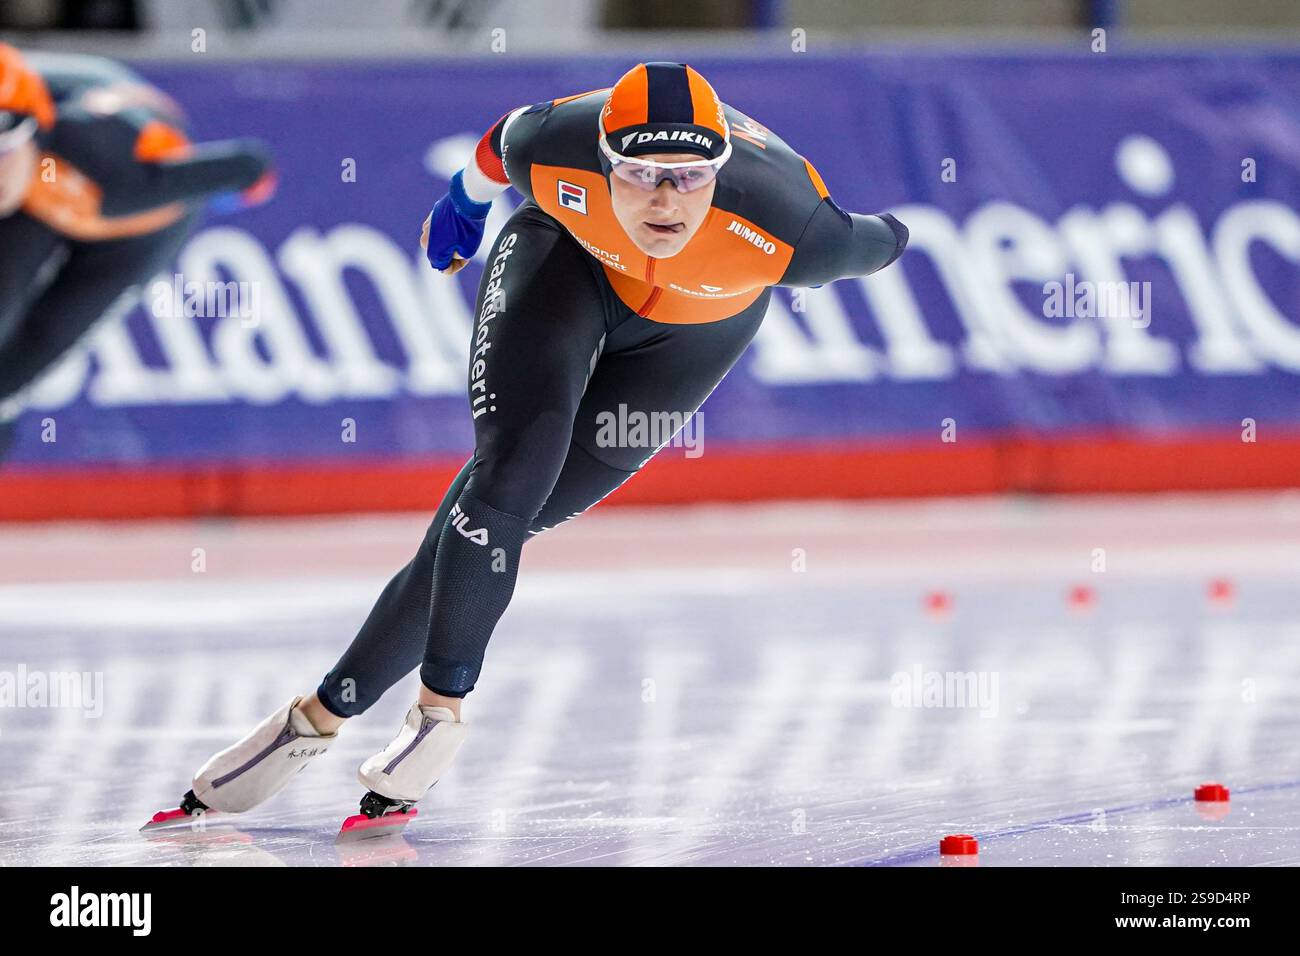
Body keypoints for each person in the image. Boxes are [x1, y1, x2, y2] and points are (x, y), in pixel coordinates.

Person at [159, 62, 908, 836]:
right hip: (564, 269)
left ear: (718, 170)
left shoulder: (800, 232)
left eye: (687, 178)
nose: (663, 200)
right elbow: (496, 146)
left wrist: (868, 240)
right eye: (642, 173)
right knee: (510, 474)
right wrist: (463, 204)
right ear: (604, 159)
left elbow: (883, 241)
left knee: (501, 521)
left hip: (691, 337)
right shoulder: (554, 144)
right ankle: (439, 714)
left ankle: (319, 714)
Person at [0, 43, 274, 458]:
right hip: (46, 172)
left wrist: (206, 190)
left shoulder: (116, 173)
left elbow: (253, 168)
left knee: (16, 372)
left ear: (34, 133)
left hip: (132, 222)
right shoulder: (19, 161)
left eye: (1, 154)